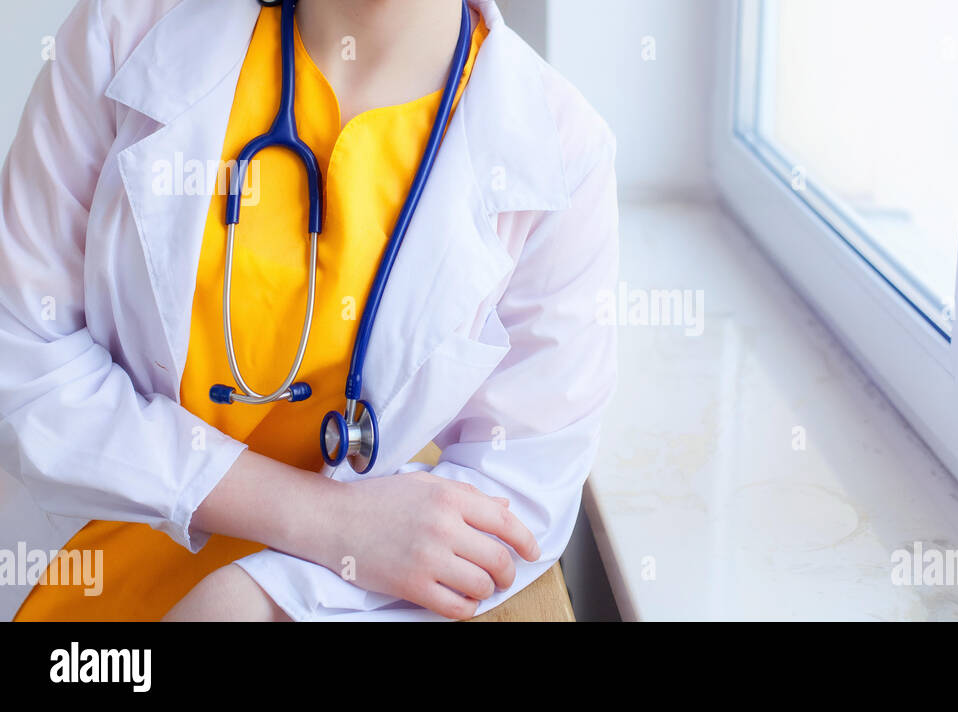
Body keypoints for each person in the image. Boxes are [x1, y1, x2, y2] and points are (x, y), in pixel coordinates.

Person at [0, 0, 618, 621]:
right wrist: (324, 519)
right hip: (78, 576)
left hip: (323, 599)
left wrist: (254, 600)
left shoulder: (564, 152)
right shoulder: (125, 30)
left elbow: (518, 494)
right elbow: (23, 357)